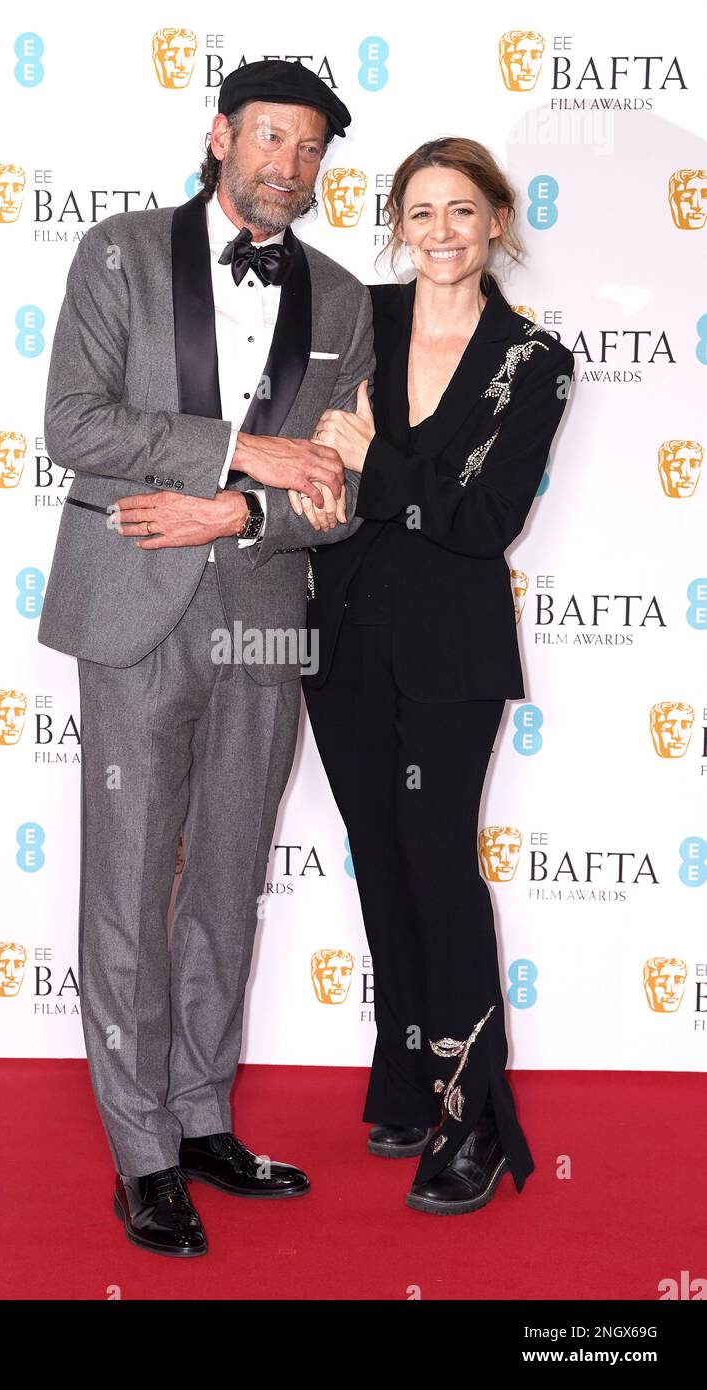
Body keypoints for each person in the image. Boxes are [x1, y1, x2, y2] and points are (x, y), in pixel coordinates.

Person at [37, 59, 375, 1257]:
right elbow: (72, 424)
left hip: (265, 606)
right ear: (221, 132)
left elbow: (335, 489)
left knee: (228, 872)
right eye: (269, 138)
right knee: (128, 879)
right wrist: (237, 450)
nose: (287, 166)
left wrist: (235, 508)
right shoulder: (119, 251)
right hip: (131, 596)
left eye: (310, 149)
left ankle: (197, 1116)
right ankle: (138, 1150)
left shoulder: (339, 299)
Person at [298, 138, 575, 1215]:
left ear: (496, 220)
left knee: (435, 856)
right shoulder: (350, 319)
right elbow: (309, 451)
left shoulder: (532, 358)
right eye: (420, 214)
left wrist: (372, 468)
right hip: (343, 632)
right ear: (395, 226)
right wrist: (345, 481)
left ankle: (471, 1116)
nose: (441, 233)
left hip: (452, 647)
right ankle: (404, 1075)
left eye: (462, 212)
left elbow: (482, 518)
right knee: (379, 851)